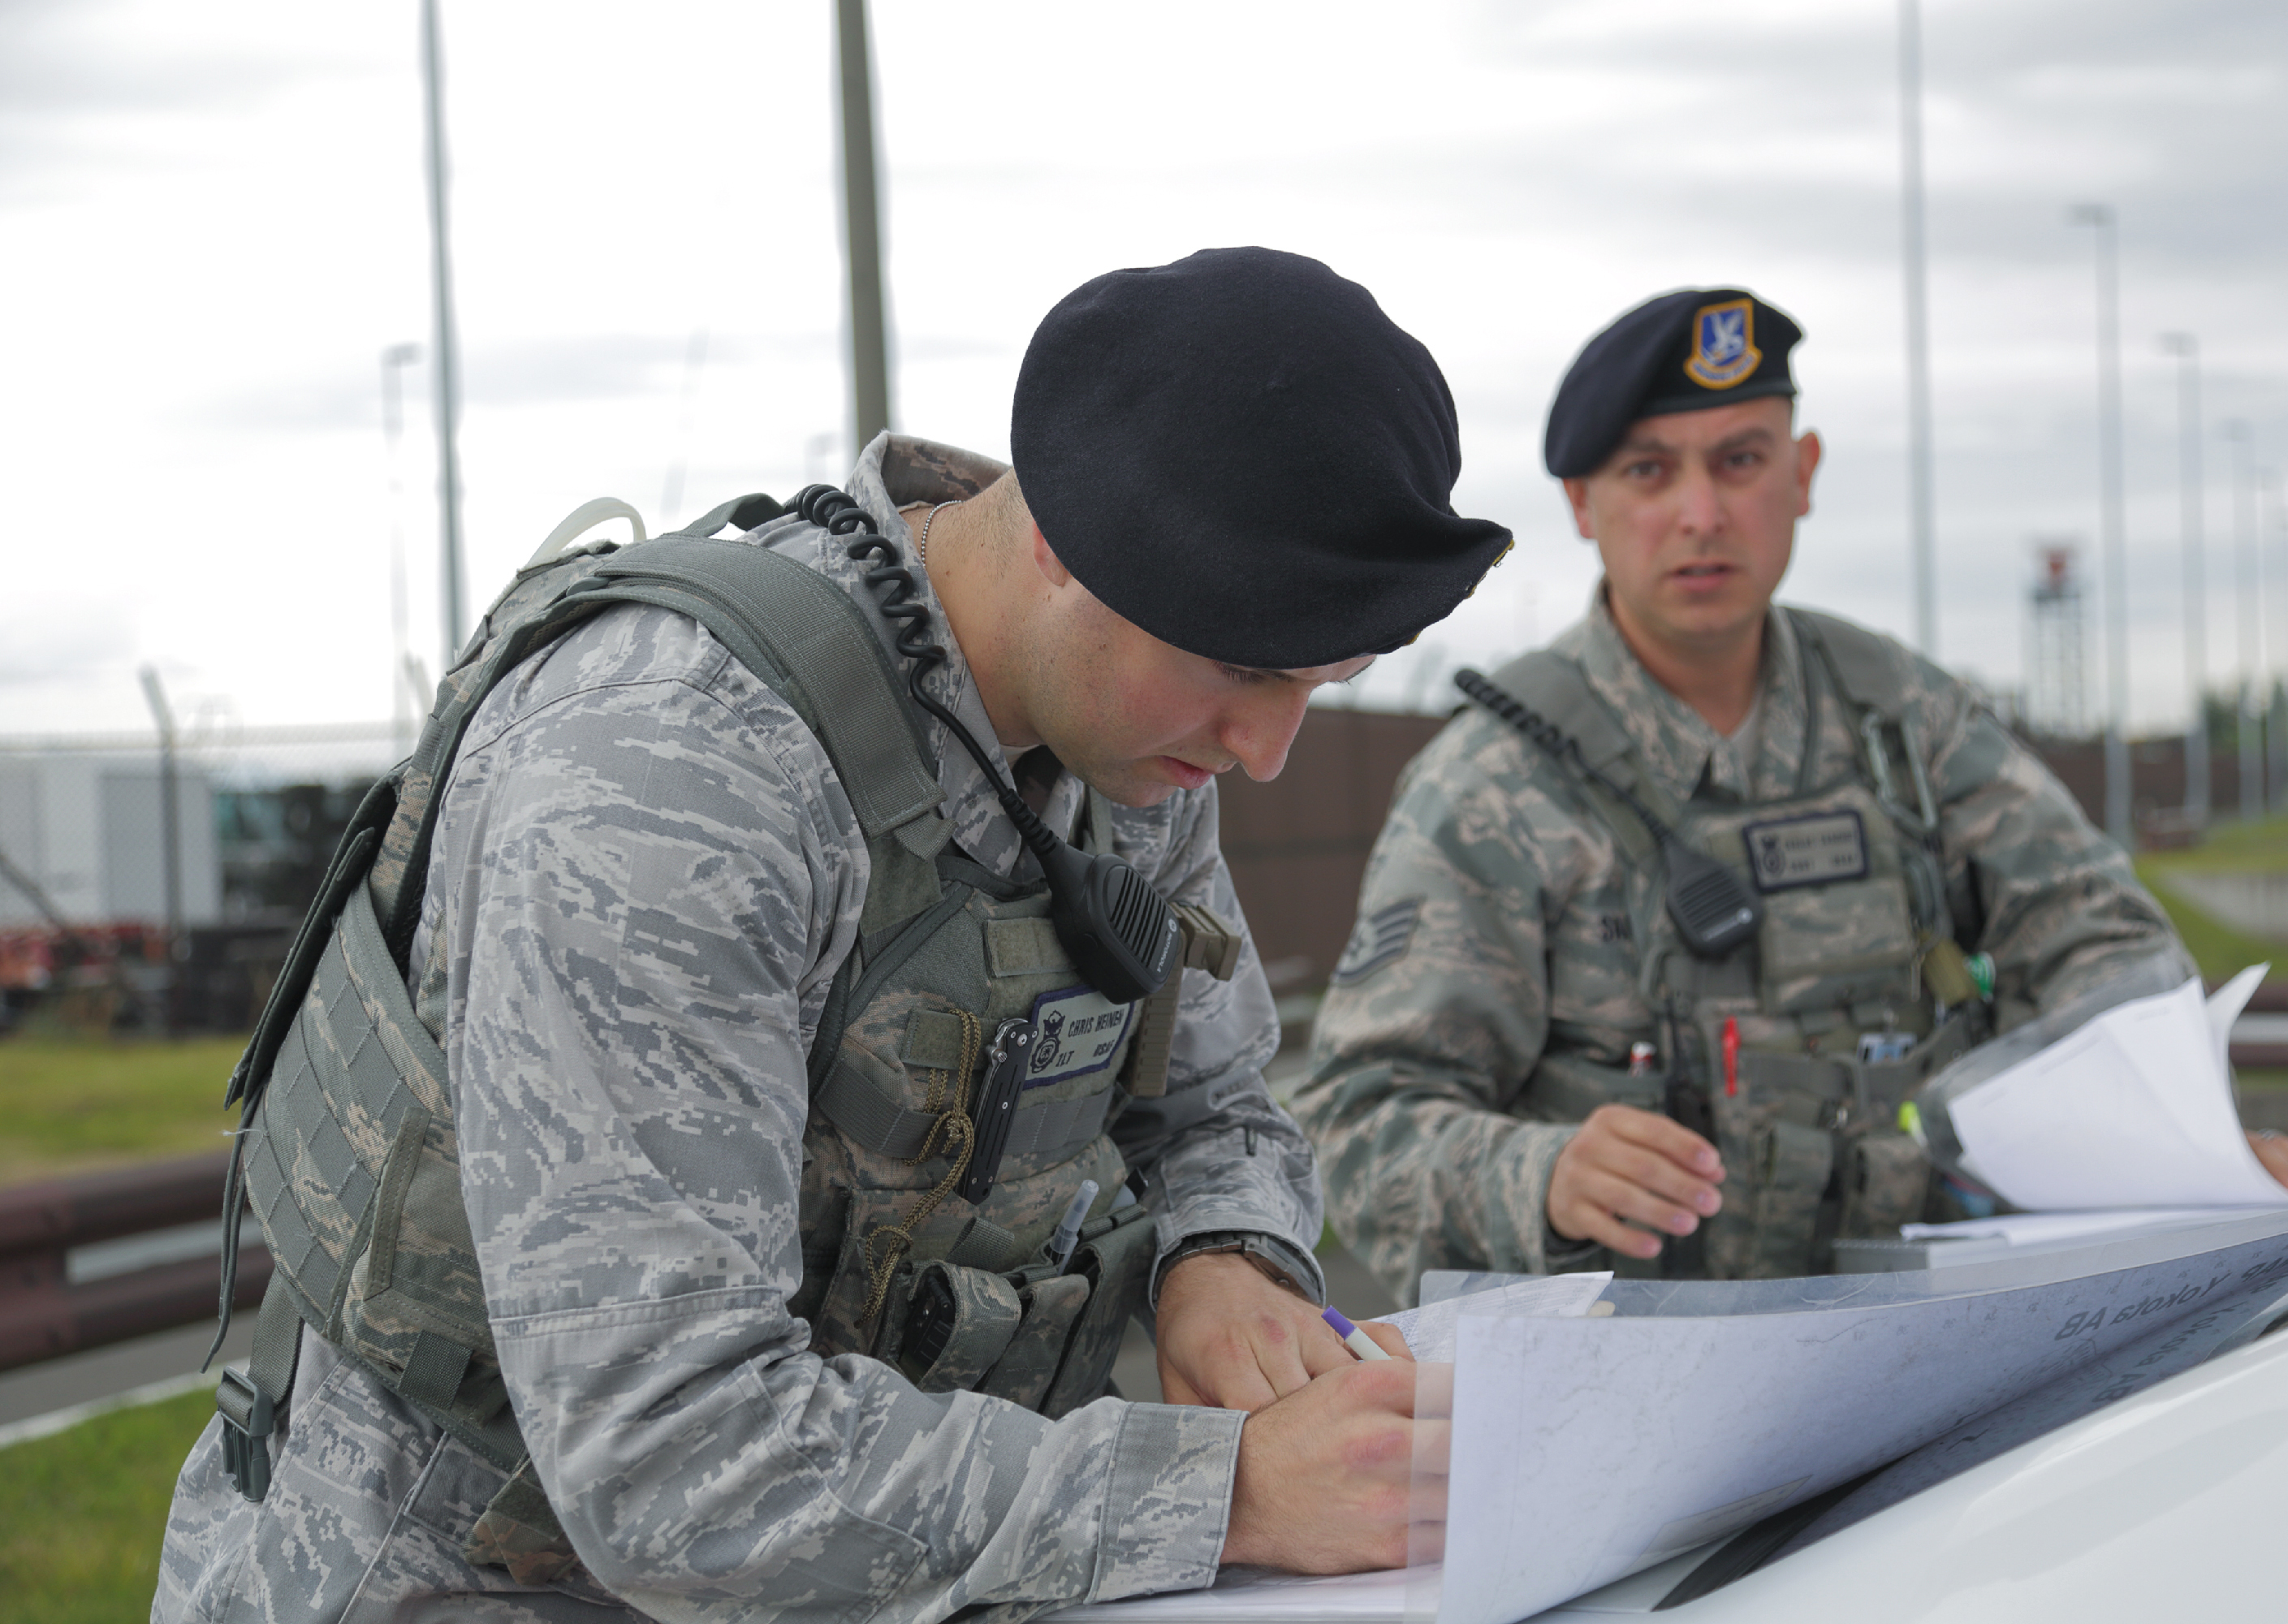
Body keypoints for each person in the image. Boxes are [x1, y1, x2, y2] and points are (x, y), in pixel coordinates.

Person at [153, 248, 1506, 1622]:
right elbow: (676, 1460)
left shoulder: (1124, 742)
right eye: (1244, 667)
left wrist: (1224, 1259)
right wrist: (1222, 1495)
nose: (1268, 751)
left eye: (1324, 681)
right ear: (1060, 541)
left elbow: (1214, 1105)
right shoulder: (672, 773)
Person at [1292, 287, 2288, 1305]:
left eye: (1741, 460)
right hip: (1637, 1385)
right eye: (1649, 471)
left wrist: (2190, 1139)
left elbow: (2100, 935)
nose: (1702, 514)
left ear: (1804, 472)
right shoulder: (1498, 785)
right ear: (1579, 502)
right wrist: (1542, 1174)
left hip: (1930, 1336)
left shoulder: (1904, 721)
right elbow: (1363, 1121)